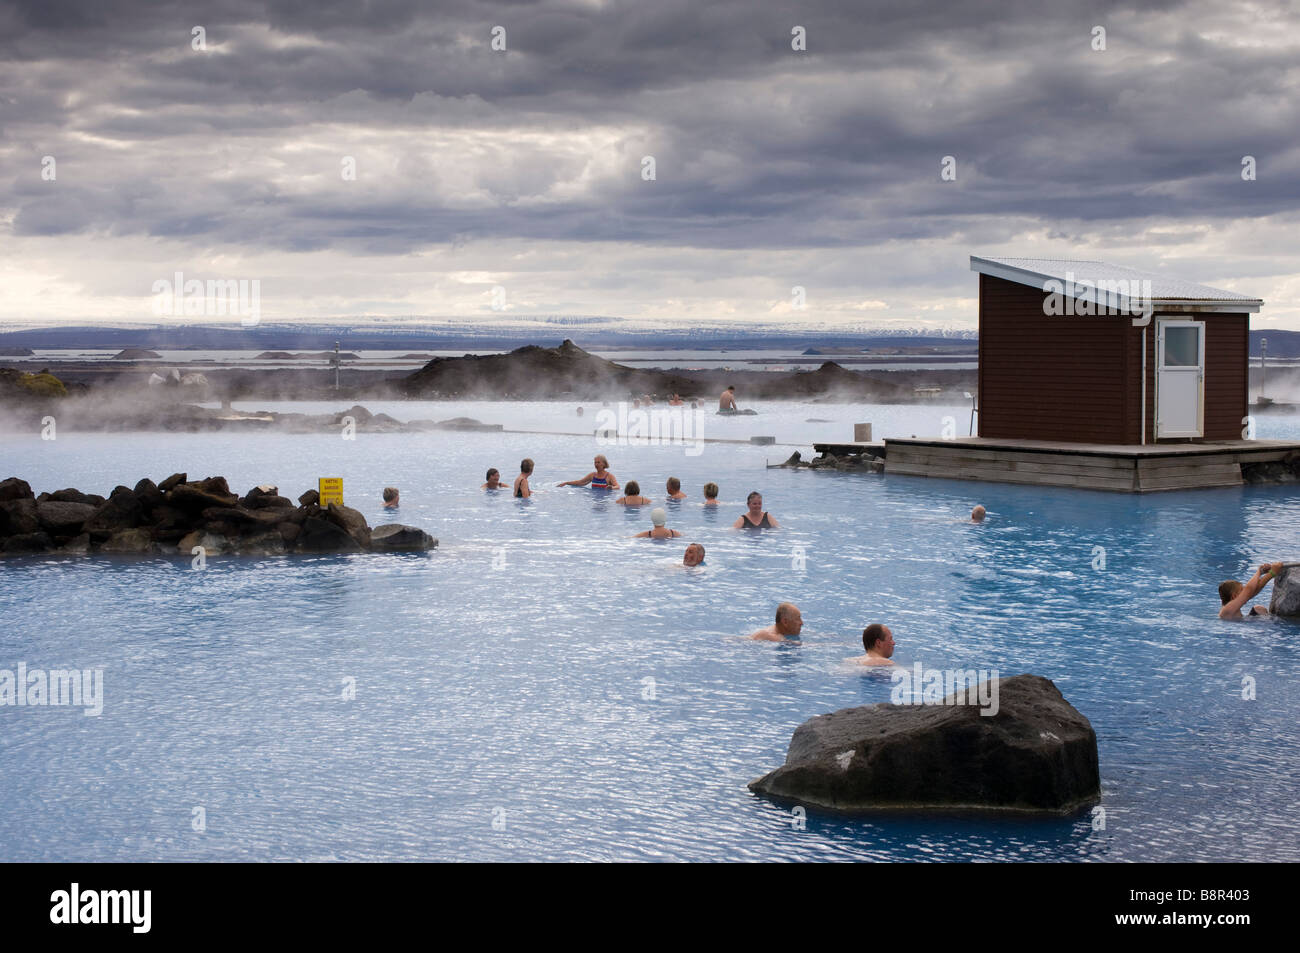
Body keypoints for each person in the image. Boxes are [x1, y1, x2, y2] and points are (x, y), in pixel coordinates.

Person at [1219, 562, 1284, 619]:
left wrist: (1269, 572)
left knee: (1259, 609)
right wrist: (1259, 571)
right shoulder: (1227, 610)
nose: (1244, 591)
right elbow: (1249, 590)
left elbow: (1254, 590)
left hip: (1243, 621)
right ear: (1234, 596)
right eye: (1242, 590)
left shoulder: (1234, 605)